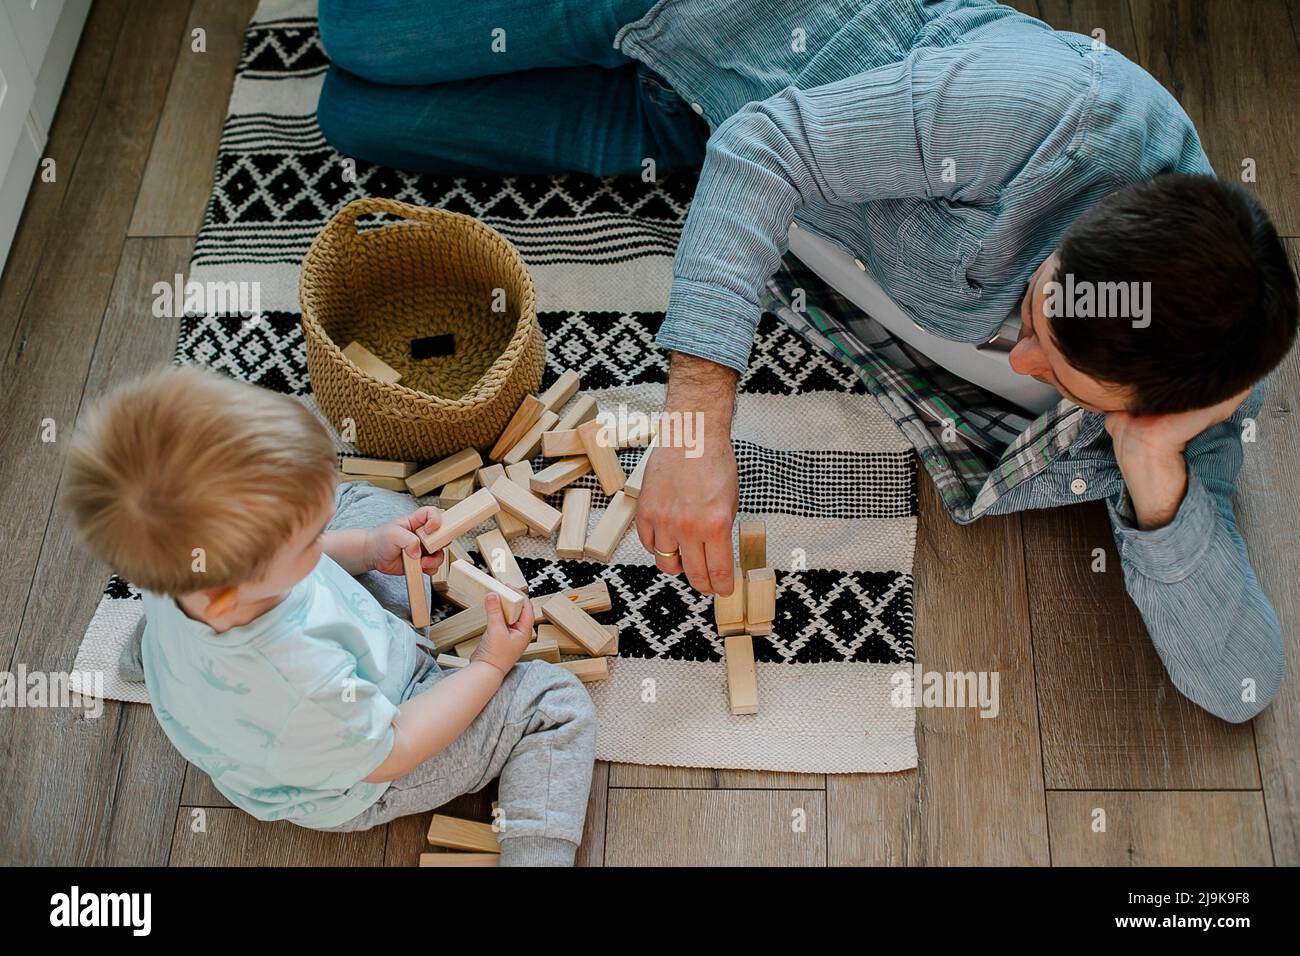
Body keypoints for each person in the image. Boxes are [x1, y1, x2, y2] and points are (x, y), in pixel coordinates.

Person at [314, 0, 1296, 722]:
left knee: (353, 116)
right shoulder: (1052, 112)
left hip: (677, 128)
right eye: (1035, 314)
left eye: (1063, 375)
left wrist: (1154, 467)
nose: (1019, 354)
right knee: (353, 33)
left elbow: (1241, 684)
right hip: (707, 23)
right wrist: (695, 428)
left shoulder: (1184, 383)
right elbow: (765, 148)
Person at [61, 366, 596, 865]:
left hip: (283, 676)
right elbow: (398, 746)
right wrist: (488, 666)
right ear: (230, 594)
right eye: (306, 543)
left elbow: (304, 545)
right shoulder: (301, 678)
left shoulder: (179, 575)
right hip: (372, 763)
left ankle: (154, 659)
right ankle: (538, 854)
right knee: (554, 700)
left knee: (370, 508)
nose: (318, 542)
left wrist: (366, 547)